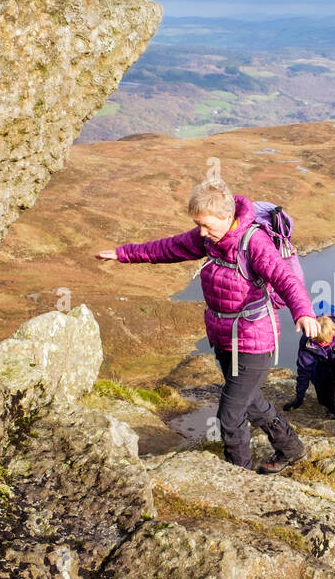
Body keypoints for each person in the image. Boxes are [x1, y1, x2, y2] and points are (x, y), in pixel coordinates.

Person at [96, 179, 318, 474]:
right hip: (223, 337)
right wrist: (124, 253)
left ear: (227, 216)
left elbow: (285, 279)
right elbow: (169, 248)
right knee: (251, 402)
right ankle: (292, 449)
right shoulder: (210, 238)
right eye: (197, 224)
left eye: (206, 225)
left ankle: (240, 477)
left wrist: (303, 312)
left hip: (254, 339)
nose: (201, 232)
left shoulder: (253, 242)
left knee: (230, 415)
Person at [284, 310, 335, 418]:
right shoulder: (307, 341)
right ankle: (332, 417)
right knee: (324, 395)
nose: (322, 345)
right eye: (318, 342)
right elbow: (304, 369)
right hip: (322, 365)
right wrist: (299, 397)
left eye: (325, 342)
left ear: (333, 334)